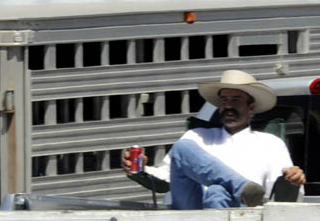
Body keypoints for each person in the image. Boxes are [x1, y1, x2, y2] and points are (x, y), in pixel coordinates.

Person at [122, 70, 306, 209]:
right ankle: (241, 187)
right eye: (224, 100)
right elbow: (165, 181)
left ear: (251, 107)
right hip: (192, 210)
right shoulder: (197, 136)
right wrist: (139, 170)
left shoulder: (270, 144)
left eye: (236, 100)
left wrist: (293, 181)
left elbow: (281, 200)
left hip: (244, 215)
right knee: (183, 147)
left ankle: (239, 196)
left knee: (217, 191)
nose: (228, 106)